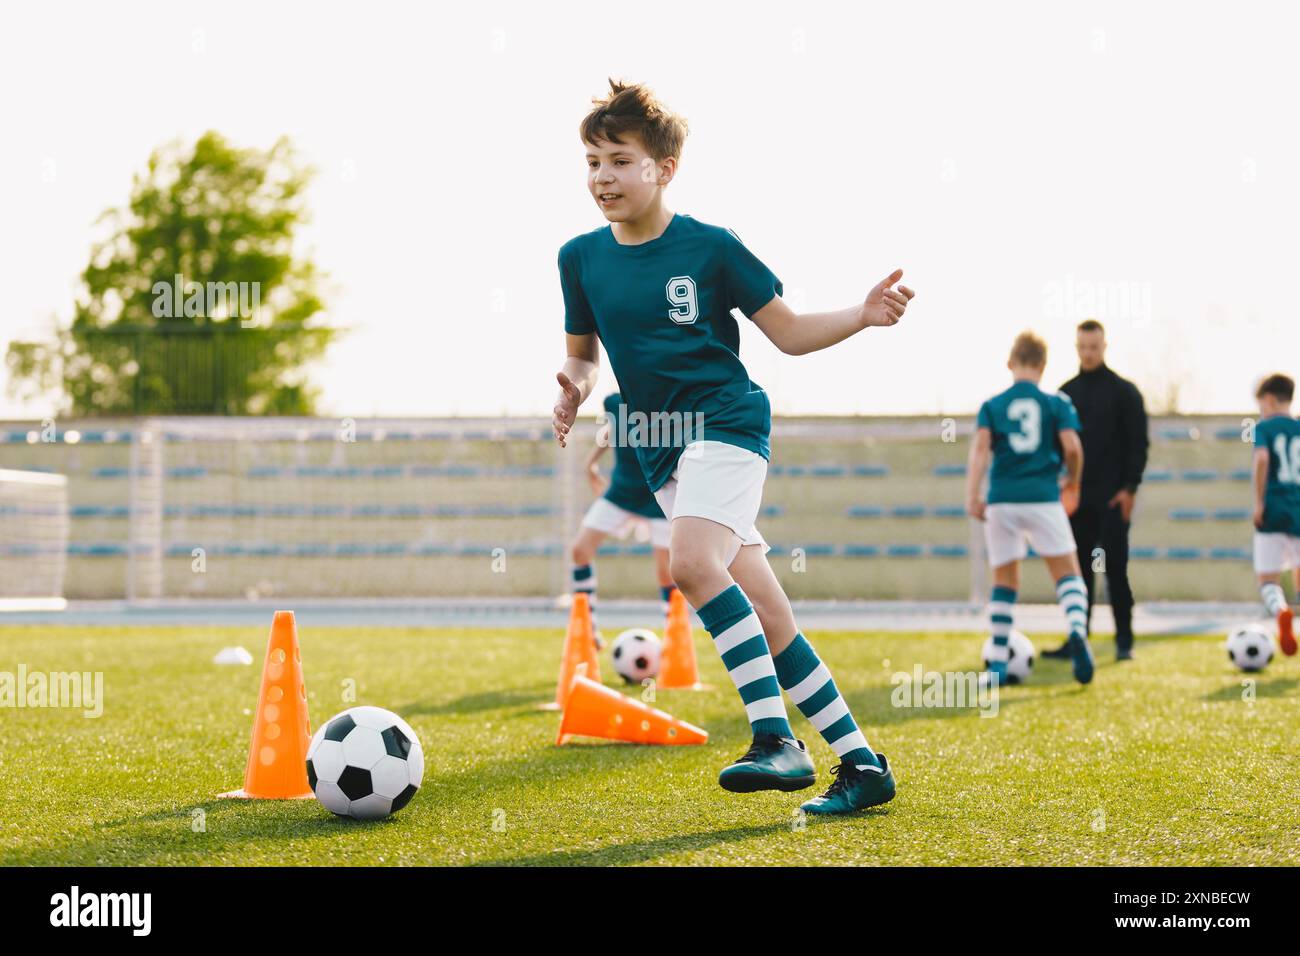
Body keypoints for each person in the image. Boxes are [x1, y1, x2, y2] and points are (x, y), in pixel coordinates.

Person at [551, 78, 914, 814]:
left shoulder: (712, 247)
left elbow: (787, 333)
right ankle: (861, 765)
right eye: (592, 161)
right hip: (659, 448)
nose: (602, 177)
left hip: (727, 424)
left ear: (664, 168)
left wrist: (862, 314)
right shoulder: (579, 257)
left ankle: (775, 739)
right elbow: (584, 354)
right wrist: (575, 386)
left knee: (689, 563)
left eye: (619, 160)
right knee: (768, 612)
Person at [966, 331, 1095, 686]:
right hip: (1042, 496)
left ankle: (996, 663)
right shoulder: (1058, 403)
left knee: (1004, 581)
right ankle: (1076, 631)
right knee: (1068, 575)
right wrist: (1073, 483)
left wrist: (972, 495)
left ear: (1011, 363)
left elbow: (979, 453)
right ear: (1043, 365)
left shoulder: (992, 405)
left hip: (1003, 499)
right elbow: (1072, 448)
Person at [1043, 320, 1148, 662]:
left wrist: (1129, 489)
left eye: (1094, 347)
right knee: (1079, 573)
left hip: (1114, 499)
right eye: (1083, 347)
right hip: (1077, 500)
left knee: (1116, 570)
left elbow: (1138, 445)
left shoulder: (1125, 392)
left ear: (1104, 347)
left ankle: (1124, 642)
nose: (1088, 353)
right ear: (1077, 348)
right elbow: (1055, 447)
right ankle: (1079, 641)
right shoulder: (1065, 394)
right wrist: (1062, 487)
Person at [570, 391, 678, 645]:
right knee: (580, 551)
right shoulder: (614, 402)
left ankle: (674, 639)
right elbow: (612, 428)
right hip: (622, 490)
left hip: (658, 494)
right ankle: (588, 629)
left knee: (668, 573)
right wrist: (591, 463)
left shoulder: (667, 397)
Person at [1251, 373, 1299, 656]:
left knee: (1268, 580)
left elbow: (1262, 459)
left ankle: (1281, 611)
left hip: (1274, 510)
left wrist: (1259, 503)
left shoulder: (1265, 428)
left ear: (1268, 400)